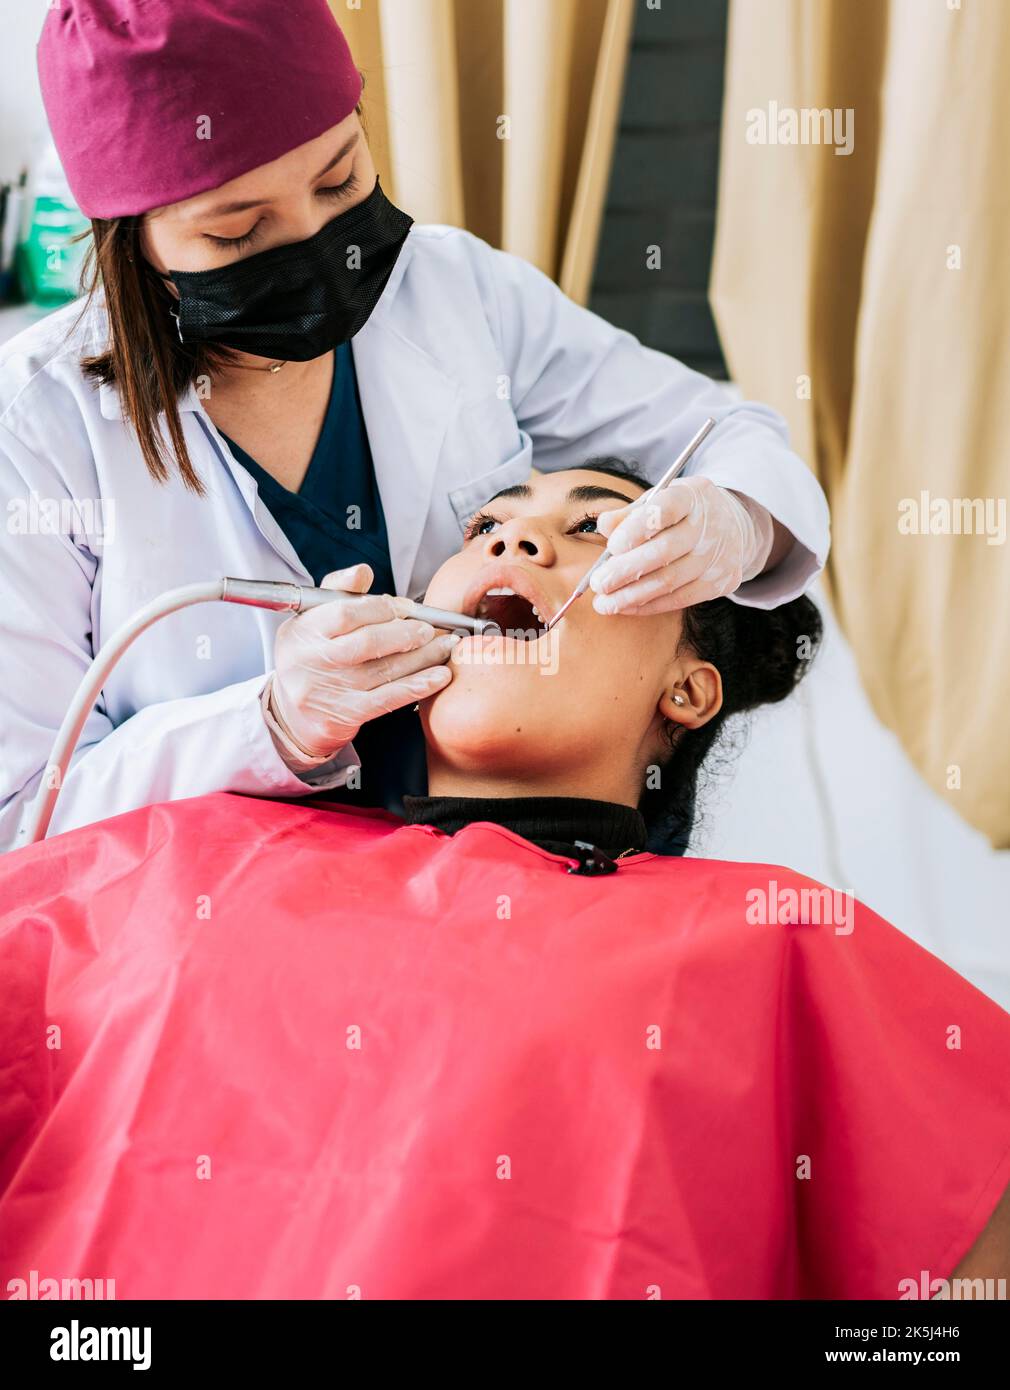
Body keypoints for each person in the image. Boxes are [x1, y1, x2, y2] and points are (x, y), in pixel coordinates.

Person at [1, 464, 1006, 1301]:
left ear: (688, 687)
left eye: (593, 528)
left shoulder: (774, 932)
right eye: (487, 523)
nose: (517, 544)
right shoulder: (181, 854)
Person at [0, 0, 829, 853]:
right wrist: (271, 725)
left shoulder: (454, 295)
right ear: (129, 242)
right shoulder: (34, 432)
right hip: (205, 937)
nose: (321, 240)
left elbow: (725, 436)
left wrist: (741, 522)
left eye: (339, 180)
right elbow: (23, 817)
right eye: (238, 232)